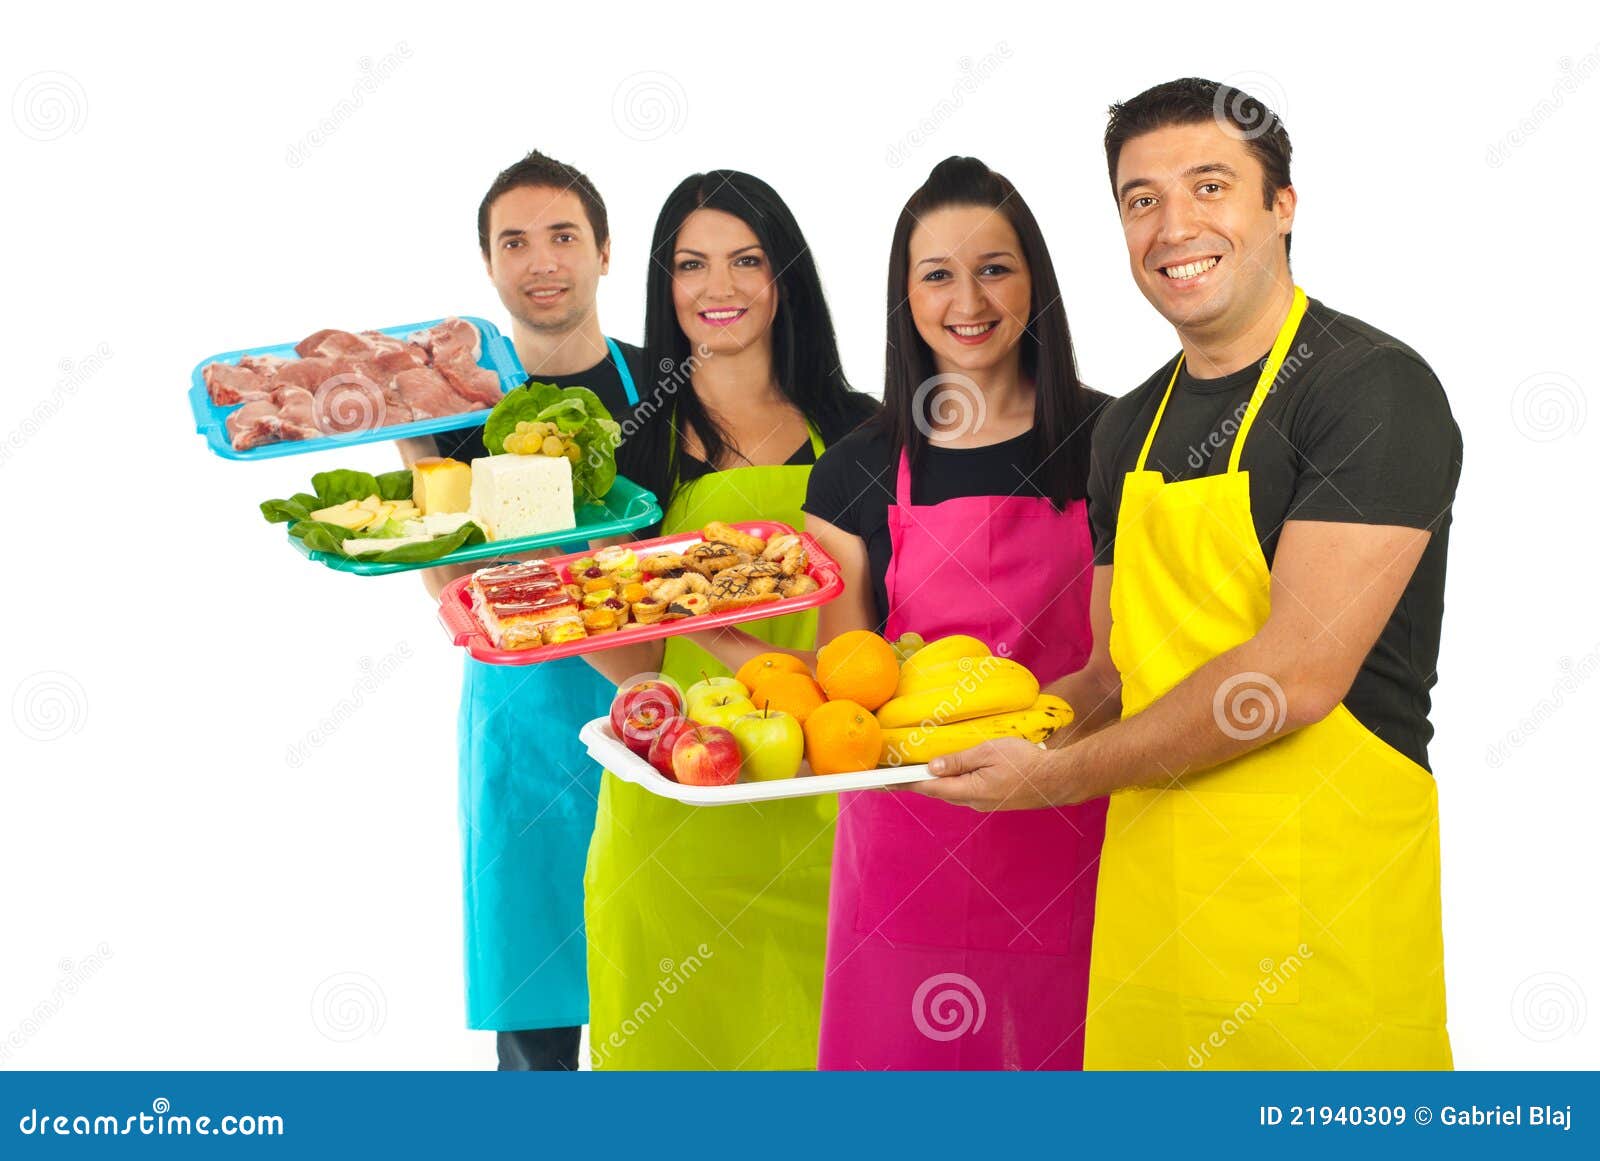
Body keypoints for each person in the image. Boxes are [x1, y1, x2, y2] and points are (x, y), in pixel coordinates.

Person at [920, 79, 1463, 1070]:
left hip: (1319, 932)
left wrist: (1050, 782)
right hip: (1153, 927)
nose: (1172, 225)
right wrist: (948, 735)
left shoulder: (1370, 391)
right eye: (1140, 199)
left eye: (1209, 187)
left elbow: (1290, 681)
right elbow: (1113, 673)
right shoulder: (1126, 425)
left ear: (1281, 207)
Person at [691, 157, 1110, 1069]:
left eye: (994, 267)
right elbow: (846, 687)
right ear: (905, 295)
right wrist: (716, 639)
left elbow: (1117, 668)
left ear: (1035, 279)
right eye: (937, 274)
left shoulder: (1107, 444)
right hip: (907, 848)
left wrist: (1032, 750)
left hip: (1070, 827)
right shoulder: (855, 469)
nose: (968, 298)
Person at [579, 170, 879, 1069]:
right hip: (673, 824)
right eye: (692, 264)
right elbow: (629, 657)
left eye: (747, 260)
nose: (721, 288)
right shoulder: (630, 443)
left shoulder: (863, 431)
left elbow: (868, 636)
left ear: (784, 277)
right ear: (664, 286)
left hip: (826, 810)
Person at [396, 150, 645, 1071]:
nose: (542, 260)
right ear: (490, 267)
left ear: (605, 253)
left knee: (659, 993)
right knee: (537, 1039)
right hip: (522, 727)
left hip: (656, 711)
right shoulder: (451, 410)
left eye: (563, 236)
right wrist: (410, 439)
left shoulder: (666, 386)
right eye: (515, 242)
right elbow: (447, 587)